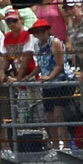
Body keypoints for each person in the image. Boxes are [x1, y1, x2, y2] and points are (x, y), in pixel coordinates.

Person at [25, 19, 72, 155]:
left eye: (42, 31)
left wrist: (50, 77)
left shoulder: (55, 42)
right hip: (47, 85)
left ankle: (67, 146)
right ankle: (55, 146)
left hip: (60, 82)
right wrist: (31, 75)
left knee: (58, 115)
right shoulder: (37, 45)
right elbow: (41, 65)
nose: (40, 34)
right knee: (49, 116)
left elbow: (60, 64)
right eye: (37, 31)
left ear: (47, 31)